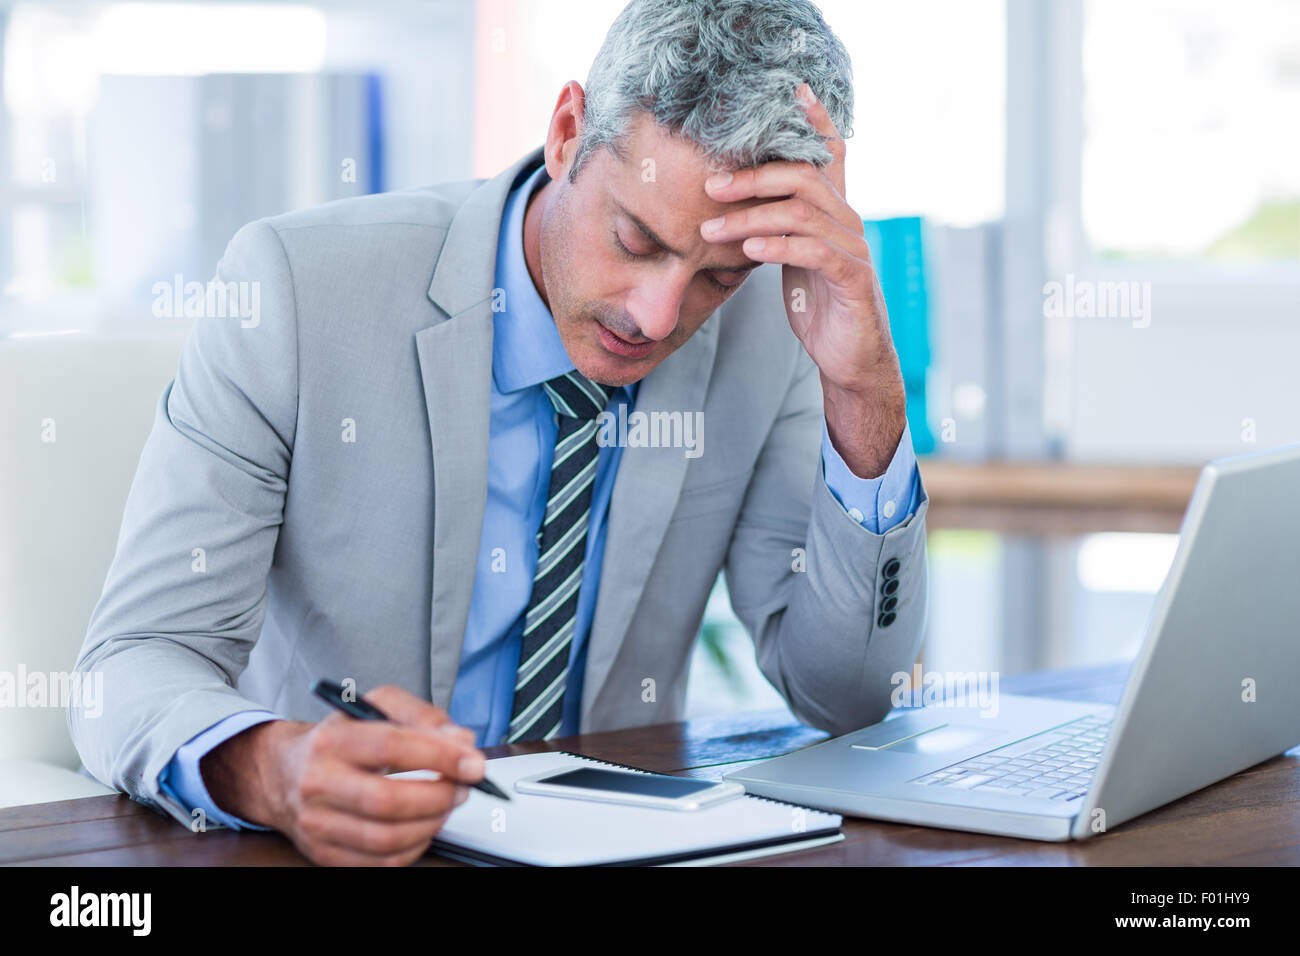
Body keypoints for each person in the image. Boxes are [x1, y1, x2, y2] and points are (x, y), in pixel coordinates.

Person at [71, 0, 928, 866]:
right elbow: (133, 662)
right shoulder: (295, 291)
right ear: (566, 133)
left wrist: (863, 390)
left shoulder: (769, 335)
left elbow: (848, 694)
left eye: (717, 275)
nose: (658, 316)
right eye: (634, 239)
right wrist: (274, 770)